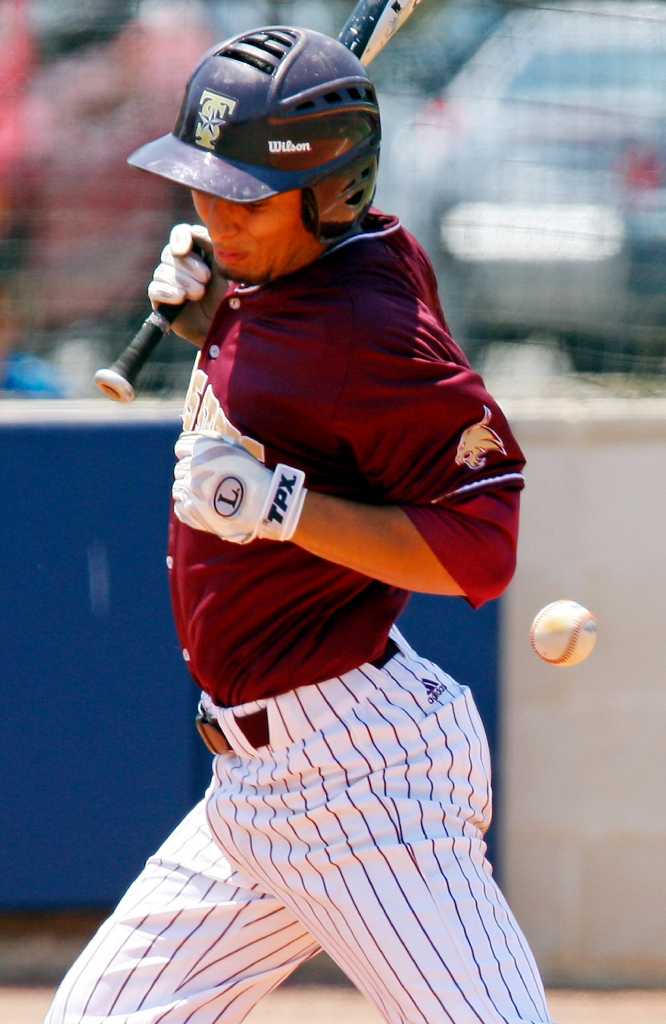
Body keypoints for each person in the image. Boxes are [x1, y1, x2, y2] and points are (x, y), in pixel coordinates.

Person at [45, 27, 552, 1024]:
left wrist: (281, 509)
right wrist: (223, 309)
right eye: (204, 186)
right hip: (257, 787)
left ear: (336, 194)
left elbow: (482, 541)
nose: (217, 212)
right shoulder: (308, 273)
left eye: (246, 195)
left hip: (363, 784)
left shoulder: (369, 326)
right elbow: (296, 366)